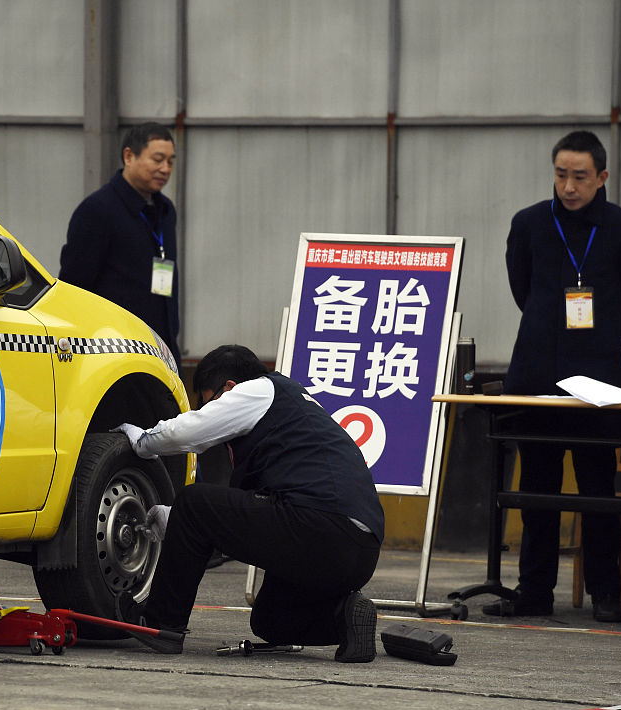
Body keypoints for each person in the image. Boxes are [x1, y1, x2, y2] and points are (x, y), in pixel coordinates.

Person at [111, 344, 384, 661]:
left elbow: (189, 431)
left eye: (209, 401)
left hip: (319, 526)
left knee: (194, 500)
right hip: (359, 549)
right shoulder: (295, 411)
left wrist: (141, 440)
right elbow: (241, 522)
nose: (210, 411)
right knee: (270, 619)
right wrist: (178, 521)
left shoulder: (257, 390)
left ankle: (160, 625)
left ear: (228, 388)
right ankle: (344, 617)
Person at [486, 130, 621, 623]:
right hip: (536, 373)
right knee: (536, 490)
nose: (568, 186)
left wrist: (599, 338)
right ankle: (534, 592)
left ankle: (607, 592)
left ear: (601, 177)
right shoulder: (530, 223)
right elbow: (523, 287)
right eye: (561, 175)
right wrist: (550, 329)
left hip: (599, 378)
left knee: (596, 491)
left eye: (580, 176)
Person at [59, 122, 181, 366]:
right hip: (116, 350)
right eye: (157, 159)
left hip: (162, 348)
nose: (165, 169)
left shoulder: (165, 211)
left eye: (170, 161)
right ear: (129, 156)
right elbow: (74, 288)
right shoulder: (98, 210)